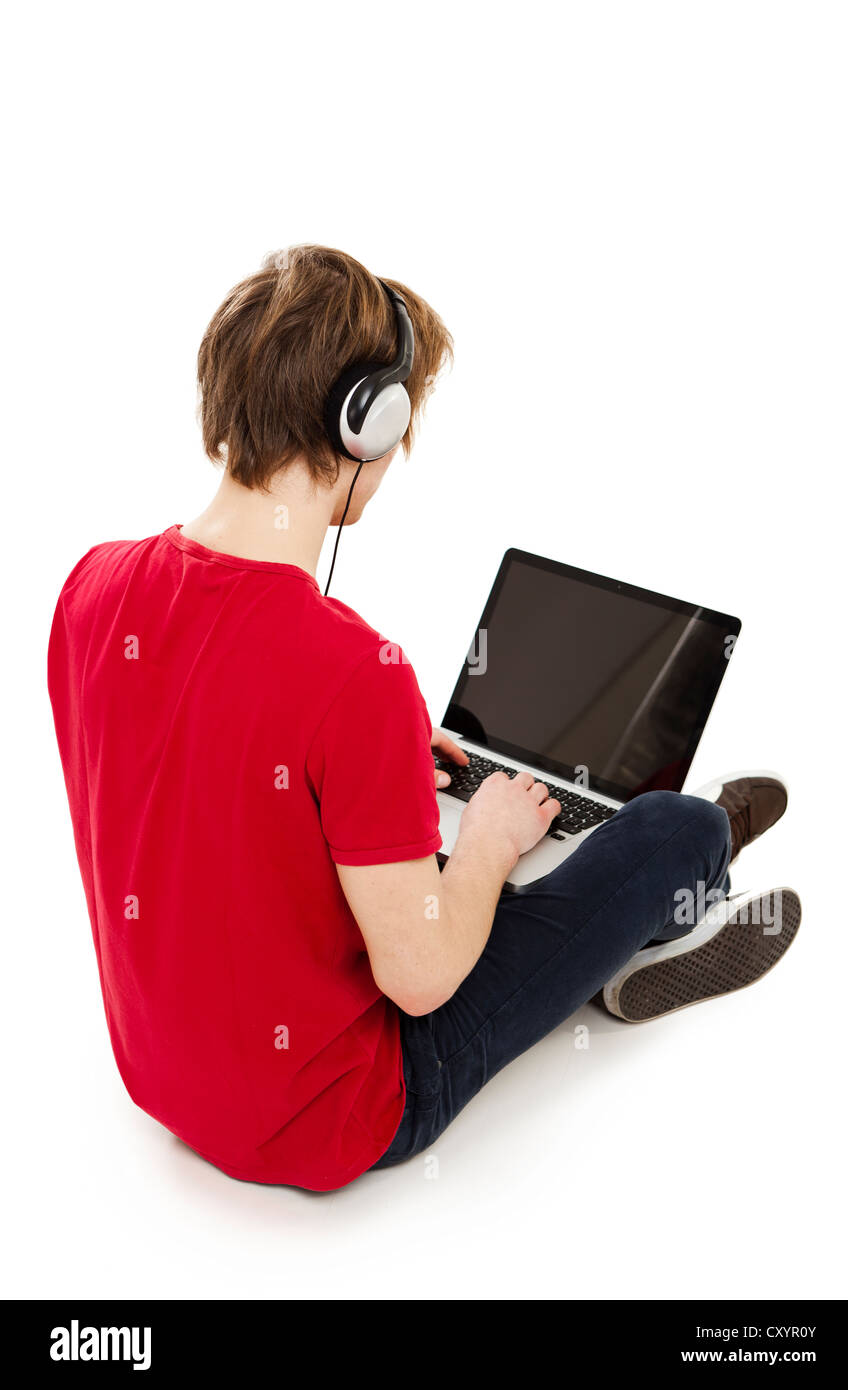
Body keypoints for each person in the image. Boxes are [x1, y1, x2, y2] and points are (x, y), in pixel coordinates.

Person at [47, 244, 801, 1192]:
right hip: (334, 1117)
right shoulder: (353, 670)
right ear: (370, 423)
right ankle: (691, 884)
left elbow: (188, 770)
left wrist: (370, 769)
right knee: (669, 825)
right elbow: (421, 981)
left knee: (487, 852)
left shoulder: (89, 588)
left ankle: (628, 899)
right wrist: (482, 841)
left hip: (159, 1078)